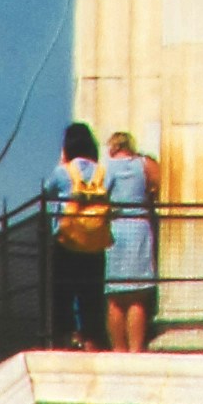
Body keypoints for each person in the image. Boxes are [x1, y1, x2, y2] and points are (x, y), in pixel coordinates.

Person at [47, 120, 110, 348]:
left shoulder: (63, 172)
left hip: (67, 241)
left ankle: (65, 340)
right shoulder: (103, 172)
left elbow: (47, 191)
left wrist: (62, 162)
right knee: (91, 296)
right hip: (95, 243)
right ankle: (92, 342)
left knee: (63, 295)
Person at [100, 126, 159, 356]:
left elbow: (99, 194)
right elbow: (157, 183)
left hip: (116, 229)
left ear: (114, 147)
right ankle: (136, 349)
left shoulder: (108, 168)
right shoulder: (144, 164)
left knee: (115, 297)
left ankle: (119, 349)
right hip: (139, 226)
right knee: (137, 294)